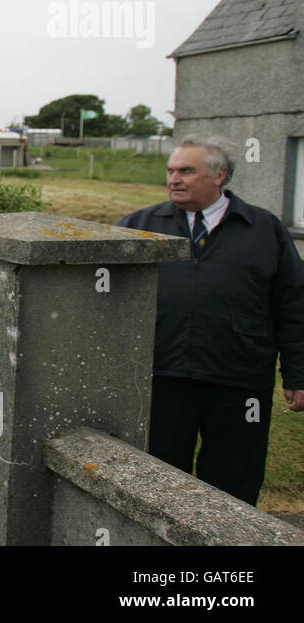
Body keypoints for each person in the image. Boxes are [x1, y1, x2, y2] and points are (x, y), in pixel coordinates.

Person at [117, 135, 304, 505]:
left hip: (239, 381)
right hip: (163, 376)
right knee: (158, 481)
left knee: (234, 481)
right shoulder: (138, 225)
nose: (174, 179)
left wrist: (298, 373)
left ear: (220, 176)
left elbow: (293, 304)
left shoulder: (264, 229)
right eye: (171, 170)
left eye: (187, 171)